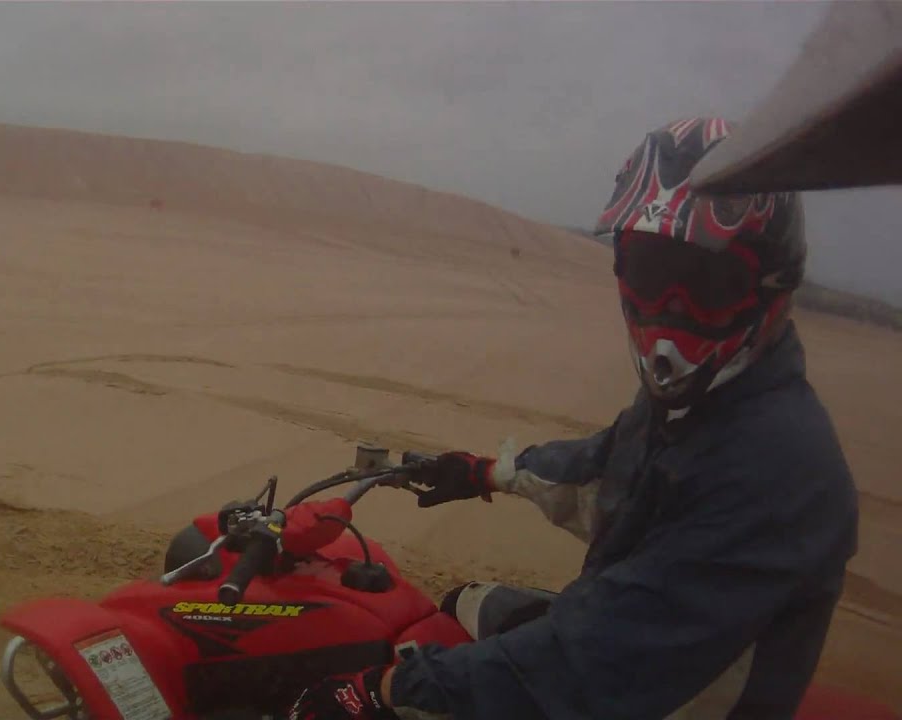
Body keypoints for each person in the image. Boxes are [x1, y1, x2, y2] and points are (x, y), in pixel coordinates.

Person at [286, 117, 860, 720]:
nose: (671, 310)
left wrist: (382, 693)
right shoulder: (702, 407)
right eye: (651, 273)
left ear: (776, 287)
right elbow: (605, 469)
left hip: (664, 697)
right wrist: (486, 473)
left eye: (708, 282)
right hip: (618, 648)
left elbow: (600, 660)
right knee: (464, 603)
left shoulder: (780, 471)